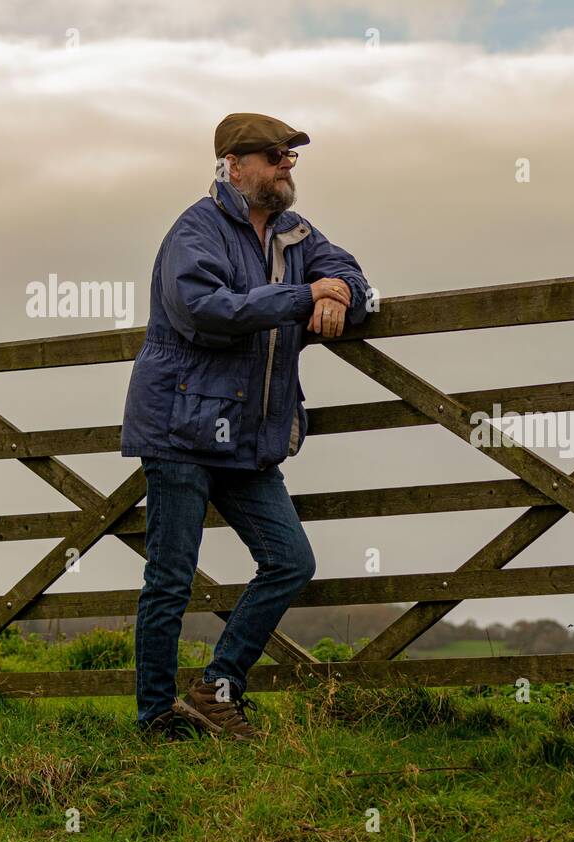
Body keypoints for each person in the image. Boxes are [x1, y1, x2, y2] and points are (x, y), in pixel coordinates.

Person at [120, 112, 371, 741]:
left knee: (290, 562)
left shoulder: (296, 234)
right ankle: (156, 720)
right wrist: (302, 297)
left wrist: (337, 291)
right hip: (181, 428)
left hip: (249, 437)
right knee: (170, 579)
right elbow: (205, 311)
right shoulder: (195, 230)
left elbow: (351, 276)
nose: (286, 164)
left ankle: (215, 689)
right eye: (273, 154)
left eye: (291, 155)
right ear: (233, 165)